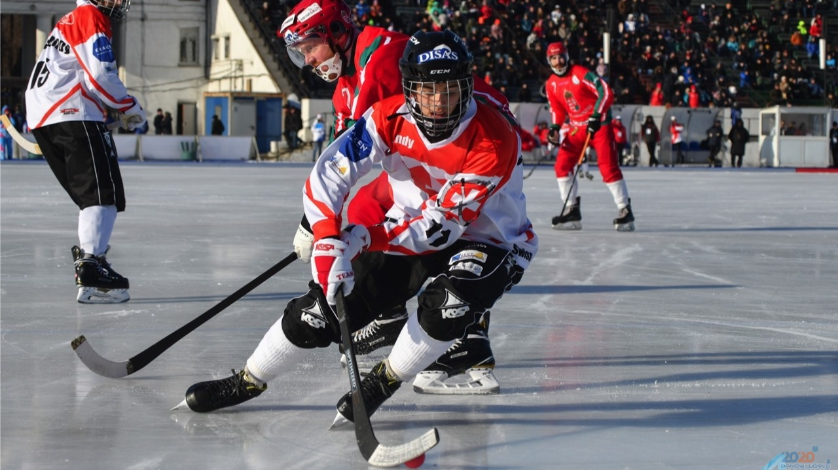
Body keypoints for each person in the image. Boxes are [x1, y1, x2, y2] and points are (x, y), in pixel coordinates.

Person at [178, 31, 537, 421]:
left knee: (448, 306)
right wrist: (329, 238)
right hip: (409, 225)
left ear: (466, 87)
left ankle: (383, 380)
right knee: (323, 309)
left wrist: (366, 236)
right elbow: (329, 172)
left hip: (492, 239)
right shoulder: (386, 117)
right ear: (408, 88)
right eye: (425, 90)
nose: (437, 103)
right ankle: (249, 379)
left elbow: (441, 227)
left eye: (449, 91)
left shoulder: (496, 139)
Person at [280, 0, 517, 394]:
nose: (307, 61)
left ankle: (466, 334)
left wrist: (317, 227)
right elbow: (342, 158)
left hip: (472, 150)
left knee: (455, 228)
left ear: (337, 34)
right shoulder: (346, 84)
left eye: (309, 47)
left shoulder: (380, 55)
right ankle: (389, 314)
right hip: (425, 159)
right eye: (300, 52)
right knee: (361, 210)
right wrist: (322, 224)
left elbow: (369, 136)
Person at [25, 0, 142, 303]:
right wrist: (127, 105)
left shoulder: (69, 19)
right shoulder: (89, 14)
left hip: (47, 115)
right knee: (103, 194)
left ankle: (93, 263)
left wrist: (111, 108)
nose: (118, 2)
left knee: (91, 196)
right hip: (71, 112)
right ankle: (92, 265)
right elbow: (100, 74)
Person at [544, 41, 635, 232]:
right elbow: (558, 110)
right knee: (561, 165)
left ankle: (624, 209)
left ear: (567, 57)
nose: (559, 61)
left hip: (598, 125)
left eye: (561, 56)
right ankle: (572, 209)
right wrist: (554, 128)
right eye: (554, 58)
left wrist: (596, 114)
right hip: (576, 129)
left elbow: (605, 91)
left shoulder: (580, 73)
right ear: (549, 61)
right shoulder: (551, 84)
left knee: (608, 167)